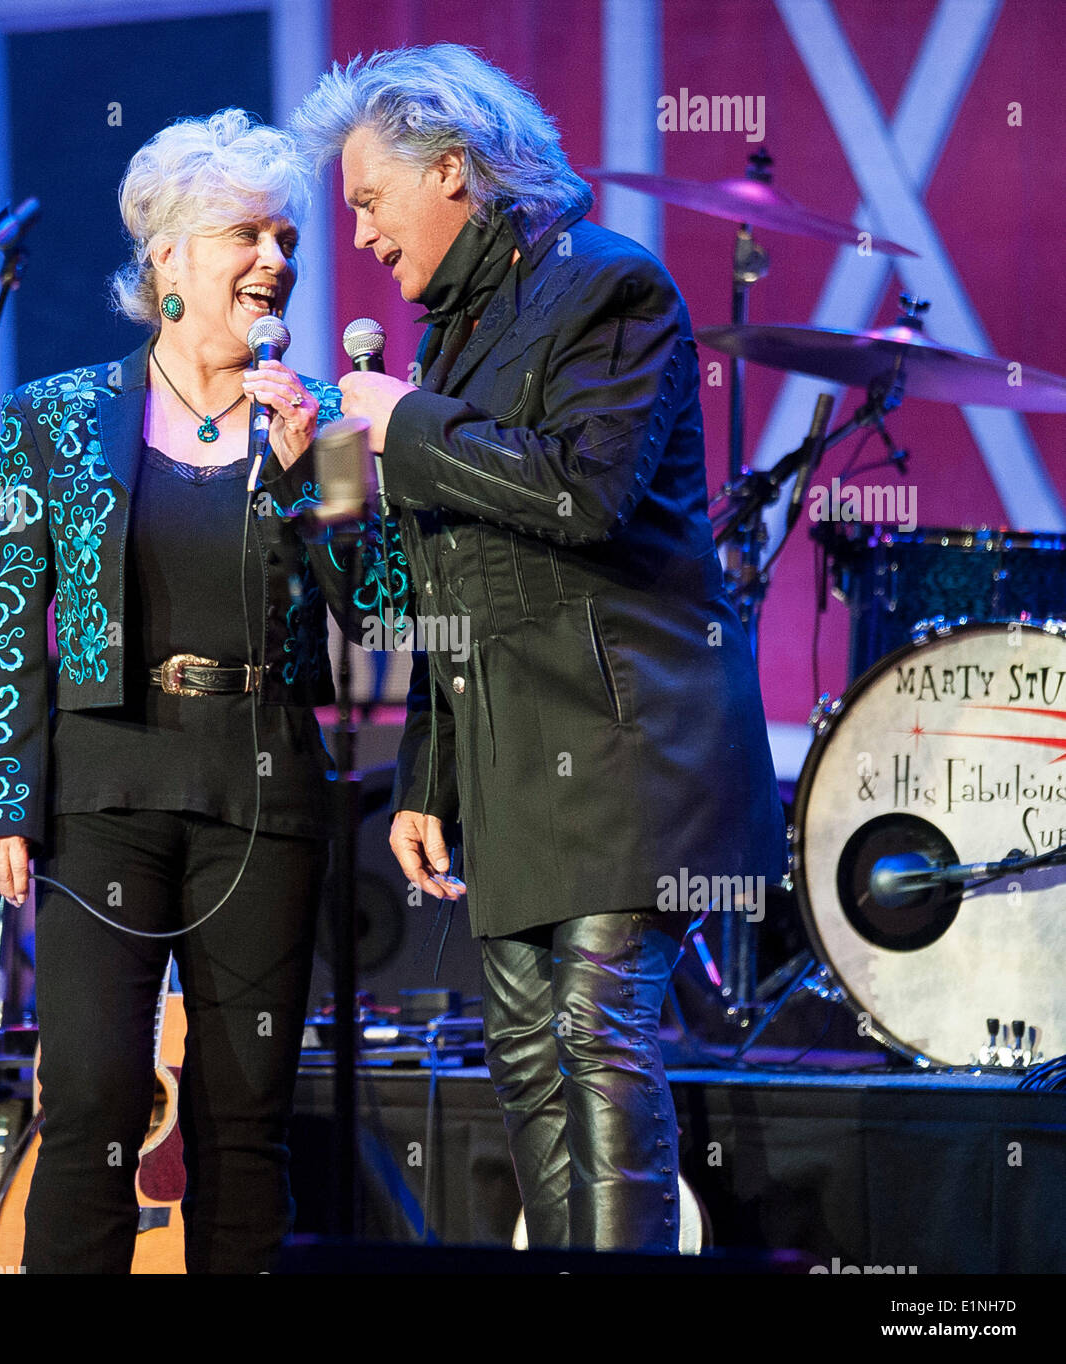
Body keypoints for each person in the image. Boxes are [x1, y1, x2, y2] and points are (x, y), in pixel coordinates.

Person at [293, 46, 787, 1253]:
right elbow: (451, 581)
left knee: (595, 1034)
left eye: (367, 200)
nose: (356, 235)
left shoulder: (610, 286)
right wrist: (426, 776)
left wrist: (404, 420)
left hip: (627, 742)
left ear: (452, 170)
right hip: (512, 757)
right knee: (524, 1054)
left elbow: (584, 493)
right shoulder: (455, 333)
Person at [0, 109, 405, 1273]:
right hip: (104, 782)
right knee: (97, 1098)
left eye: (286, 237)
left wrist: (322, 482)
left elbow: (388, 612)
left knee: (242, 1115)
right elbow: (7, 616)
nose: (277, 260)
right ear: (167, 257)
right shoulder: (53, 417)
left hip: (260, 789)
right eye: (245, 235)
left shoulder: (324, 416)